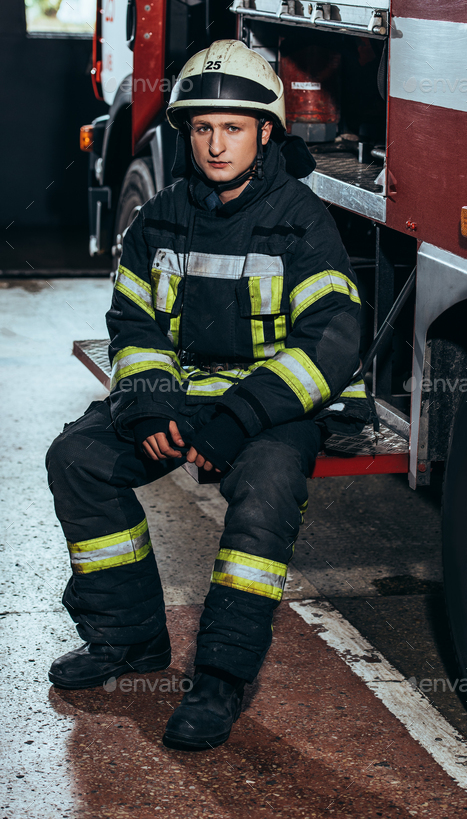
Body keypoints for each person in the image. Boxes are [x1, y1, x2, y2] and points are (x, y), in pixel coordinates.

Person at [45, 39, 363, 751]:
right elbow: (134, 324)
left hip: (269, 408)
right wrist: (152, 404)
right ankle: (127, 640)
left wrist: (236, 421)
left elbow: (331, 342)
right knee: (78, 457)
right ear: (187, 133)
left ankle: (219, 679)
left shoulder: (302, 223)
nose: (217, 144)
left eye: (235, 127)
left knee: (266, 496)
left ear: (266, 133)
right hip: (182, 398)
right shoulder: (159, 218)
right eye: (203, 128)